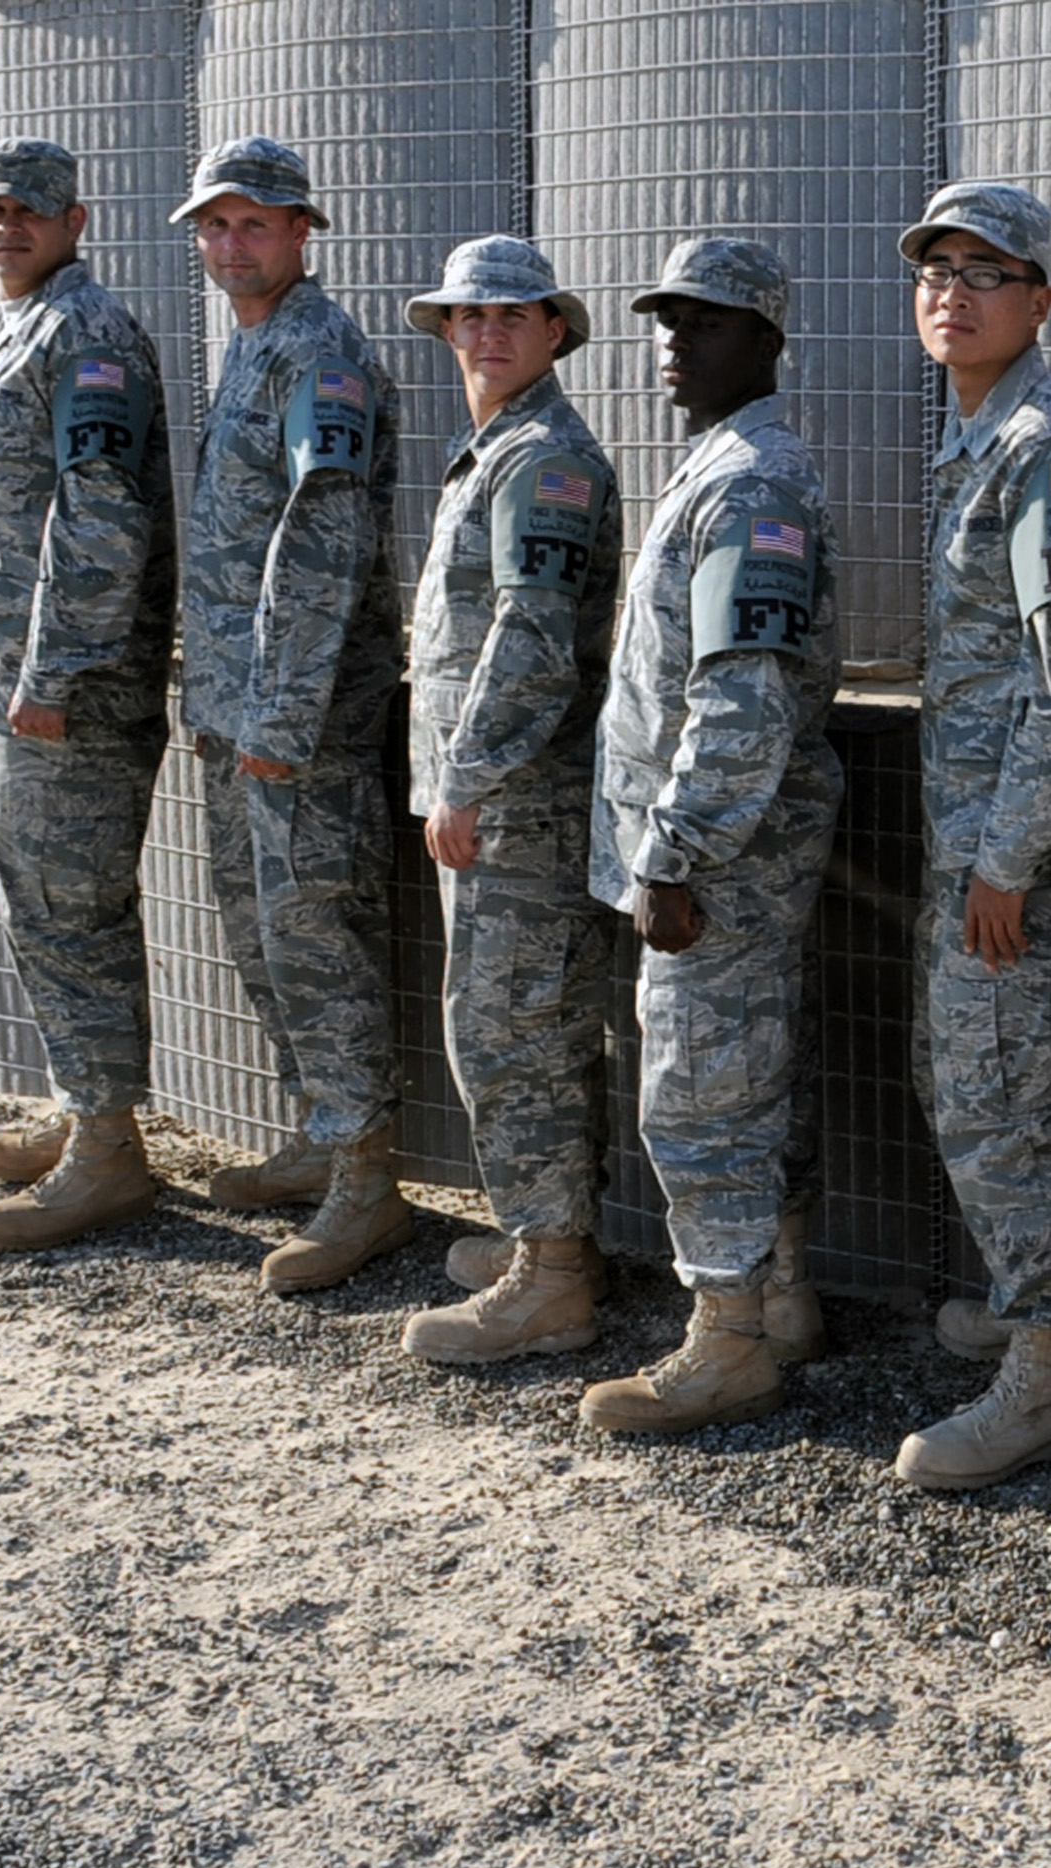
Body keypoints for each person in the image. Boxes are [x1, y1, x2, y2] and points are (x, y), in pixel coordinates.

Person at [888, 182, 1051, 1490]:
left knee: (1002, 1100)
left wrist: (1007, 863)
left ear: (1040, 300)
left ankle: (1041, 1369)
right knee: (978, 1084)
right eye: (936, 271)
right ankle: (1026, 1296)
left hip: (1018, 861)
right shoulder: (980, 442)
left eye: (988, 271)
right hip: (973, 846)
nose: (954, 292)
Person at [580, 237, 842, 1437]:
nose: (678, 346)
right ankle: (777, 1302)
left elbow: (742, 692)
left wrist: (675, 853)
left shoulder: (752, 483)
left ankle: (728, 1338)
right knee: (740, 1083)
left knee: (697, 1099)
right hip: (716, 850)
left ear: (769, 343)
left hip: (719, 861)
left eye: (711, 325)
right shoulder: (720, 467)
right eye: (669, 323)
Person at [172, 135, 411, 1292]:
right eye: (215, 227)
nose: (231, 245)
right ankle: (322, 1138)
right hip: (237, 713)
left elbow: (321, 546)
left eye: (253, 224)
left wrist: (277, 719)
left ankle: (367, 1181)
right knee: (264, 934)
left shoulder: (322, 357)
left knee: (318, 937)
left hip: (296, 730)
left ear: (303, 231)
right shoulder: (253, 347)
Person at [389, 237, 623, 1366]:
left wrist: (466, 779)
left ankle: (554, 1276)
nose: (487, 331)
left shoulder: (546, 464)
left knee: (517, 1033)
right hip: (493, 796)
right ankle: (544, 1237)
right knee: (507, 1026)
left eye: (513, 316)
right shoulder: (495, 453)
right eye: (468, 315)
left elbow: (530, 645)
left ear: (555, 332)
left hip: (518, 802)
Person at [0, 138, 178, 1252]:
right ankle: (87, 1109)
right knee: (41, 901)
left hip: (67, 695)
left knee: (70, 904)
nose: (8, 227)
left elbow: (100, 519)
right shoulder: (25, 326)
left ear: (76, 221)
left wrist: (52, 673)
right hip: (17, 683)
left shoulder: (88, 336)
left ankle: (109, 1153)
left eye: (30, 213)